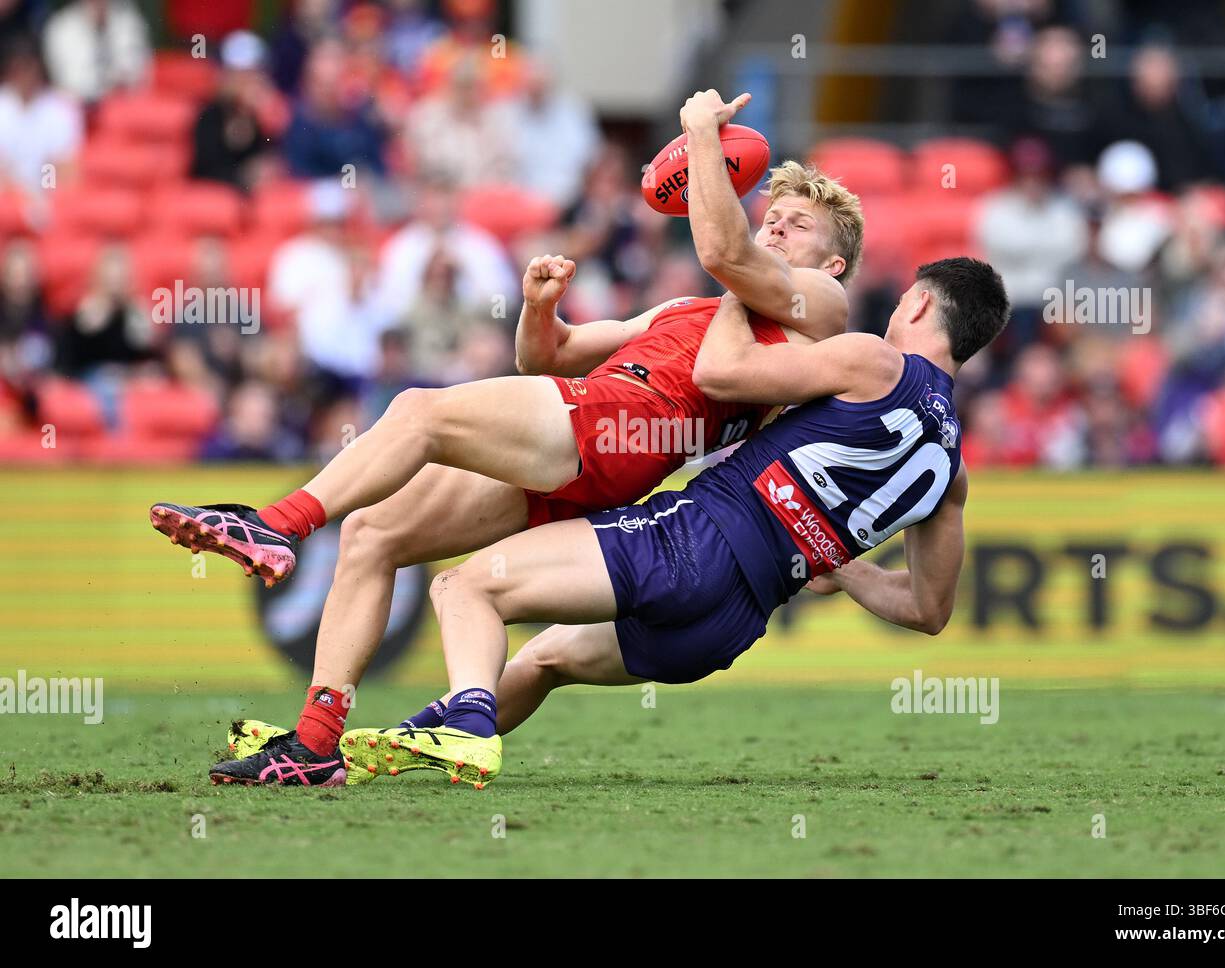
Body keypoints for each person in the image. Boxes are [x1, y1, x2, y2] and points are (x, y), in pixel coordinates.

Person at [153, 91, 862, 783]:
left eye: (797, 225)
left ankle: (277, 525)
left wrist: (701, 134)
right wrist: (537, 310)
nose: (775, 229)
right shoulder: (700, 304)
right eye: (774, 217)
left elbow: (720, 245)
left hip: (624, 425)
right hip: (597, 429)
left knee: (419, 412)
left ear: (832, 265)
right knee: (373, 534)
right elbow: (546, 359)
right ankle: (315, 742)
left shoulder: (822, 305)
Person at [212, 257, 1011, 787]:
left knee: (464, 590)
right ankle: (361, 748)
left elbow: (722, 370)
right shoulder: (953, 473)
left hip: (694, 541)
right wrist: (844, 566)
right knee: (542, 661)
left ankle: (452, 715)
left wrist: (736, 284)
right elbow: (929, 611)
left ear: (916, 302)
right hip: (736, 618)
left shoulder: (874, 357)